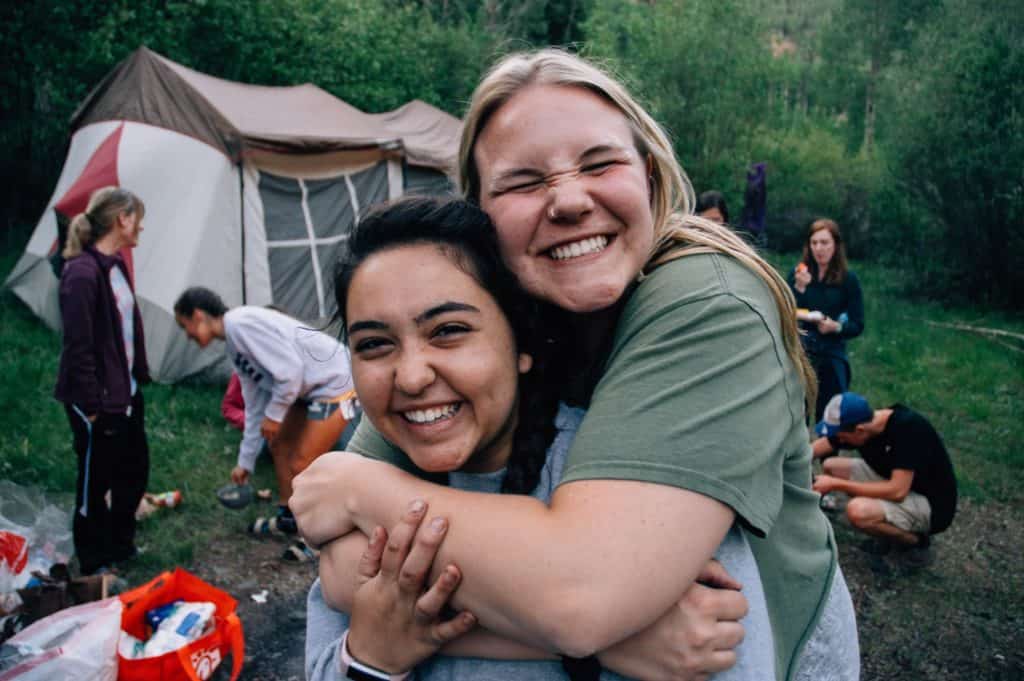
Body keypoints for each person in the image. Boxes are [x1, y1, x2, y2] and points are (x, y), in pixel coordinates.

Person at [293, 48, 859, 681]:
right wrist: (572, 644)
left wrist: (361, 488)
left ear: (648, 175)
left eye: (600, 163)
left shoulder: (709, 302)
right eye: (523, 181)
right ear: (479, 214)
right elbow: (341, 569)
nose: (566, 200)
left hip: (775, 645)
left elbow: (586, 595)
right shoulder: (498, 306)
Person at [306, 197, 767, 681]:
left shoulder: (638, 500)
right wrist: (369, 660)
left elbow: (728, 653)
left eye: (449, 331)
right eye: (375, 344)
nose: (412, 377)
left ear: (522, 342)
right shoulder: (362, 494)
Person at [173, 288, 354, 557]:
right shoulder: (234, 342)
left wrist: (275, 415)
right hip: (307, 388)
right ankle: (288, 518)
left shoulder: (241, 324)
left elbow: (290, 372)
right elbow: (255, 403)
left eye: (184, 326)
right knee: (279, 444)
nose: (186, 335)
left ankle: (319, 537)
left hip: (335, 384)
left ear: (198, 315)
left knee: (303, 463)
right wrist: (245, 462)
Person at [54, 186, 150, 576]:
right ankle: (93, 558)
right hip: (96, 400)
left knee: (133, 470)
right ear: (121, 219)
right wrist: (91, 406)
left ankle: (120, 544)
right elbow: (78, 347)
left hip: (125, 392)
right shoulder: (81, 272)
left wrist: (135, 378)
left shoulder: (116, 265)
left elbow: (123, 329)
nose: (141, 226)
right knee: (96, 481)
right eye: (137, 217)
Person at [811, 392, 958, 562]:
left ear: (859, 431)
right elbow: (820, 447)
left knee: (857, 511)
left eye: (840, 437)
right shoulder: (862, 424)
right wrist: (787, 461)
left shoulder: (908, 429)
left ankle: (915, 541)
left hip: (931, 504)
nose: (838, 440)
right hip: (902, 483)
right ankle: (882, 516)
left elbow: (897, 491)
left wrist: (836, 484)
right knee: (831, 465)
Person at [788, 218, 864, 422]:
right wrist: (800, 289)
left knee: (830, 411)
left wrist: (836, 327)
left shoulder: (848, 279)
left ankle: (827, 450)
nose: (819, 249)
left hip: (831, 349)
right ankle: (798, 450)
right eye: (814, 243)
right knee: (796, 411)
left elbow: (857, 324)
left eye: (824, 243)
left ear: (836, 245)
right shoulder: (799, 274)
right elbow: (786, 311)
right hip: (803, 347)